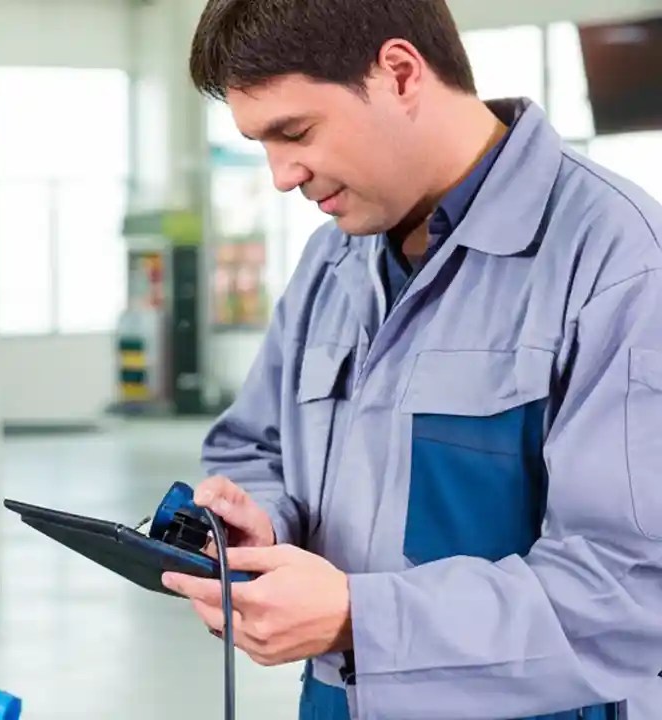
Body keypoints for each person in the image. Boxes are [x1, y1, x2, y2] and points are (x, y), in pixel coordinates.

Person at [160, 1, 662, 718]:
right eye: (259, 142)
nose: (280, 175)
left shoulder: (620, 264)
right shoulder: (333, 260)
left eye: (294, 131)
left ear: (399, 73)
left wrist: (360, 617)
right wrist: (263, 522)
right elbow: (255, 447)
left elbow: (629, 593)